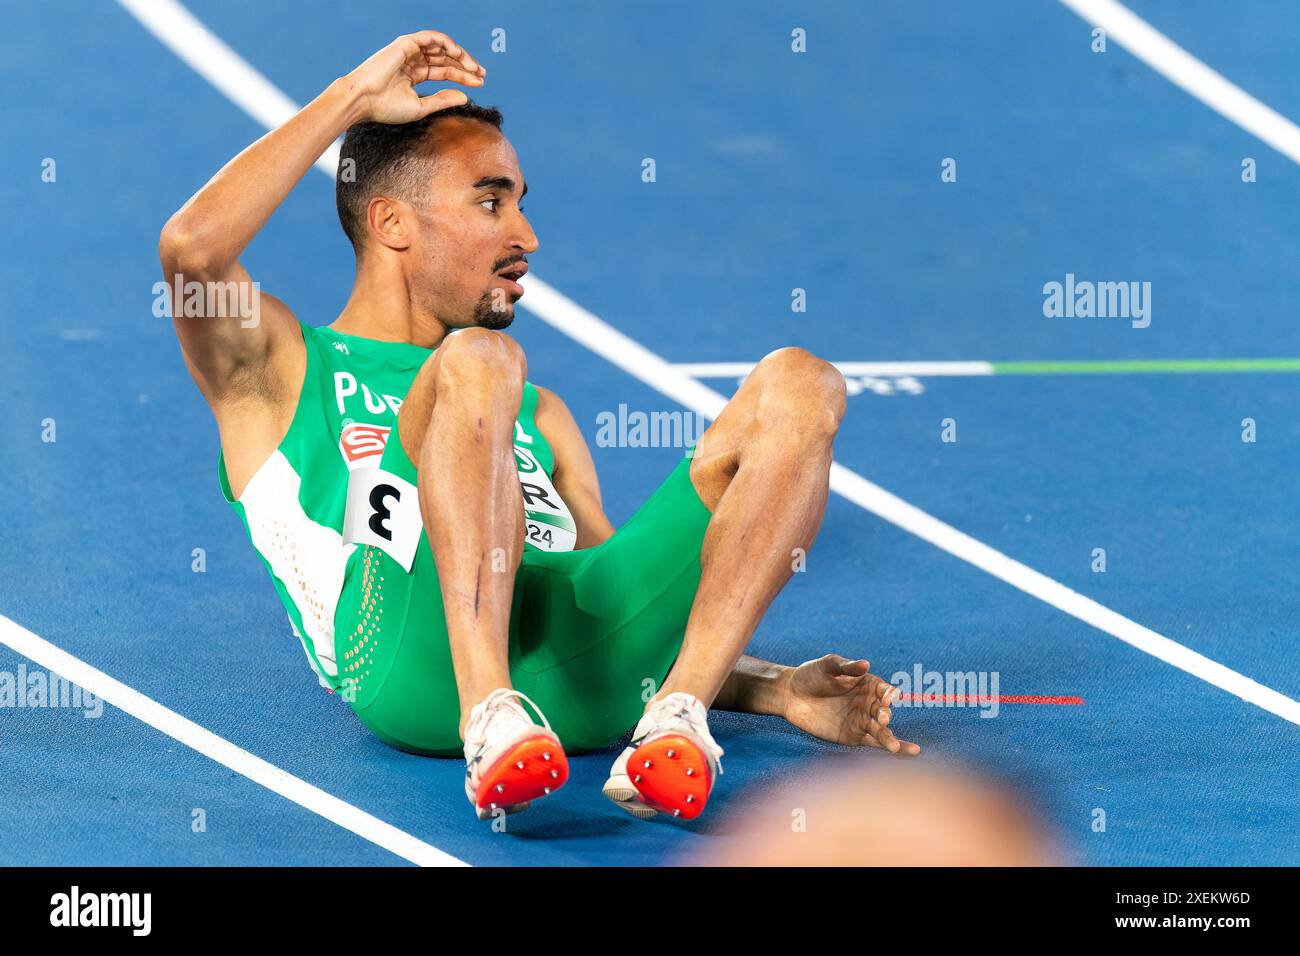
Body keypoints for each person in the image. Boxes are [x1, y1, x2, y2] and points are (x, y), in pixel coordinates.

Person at [159, 28, 919, 823]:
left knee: (801, 382)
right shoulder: (279, 370)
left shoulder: (539, 410)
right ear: (392, 223)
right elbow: (191, 250)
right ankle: (487, 711)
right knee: (479, 361)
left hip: (580, 687)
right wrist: (351, 95)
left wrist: (774, 689)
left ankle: (678, 721)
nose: (525, 237)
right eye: (491, 201)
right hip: (407, 666)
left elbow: (614, 595)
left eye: (520, 203)